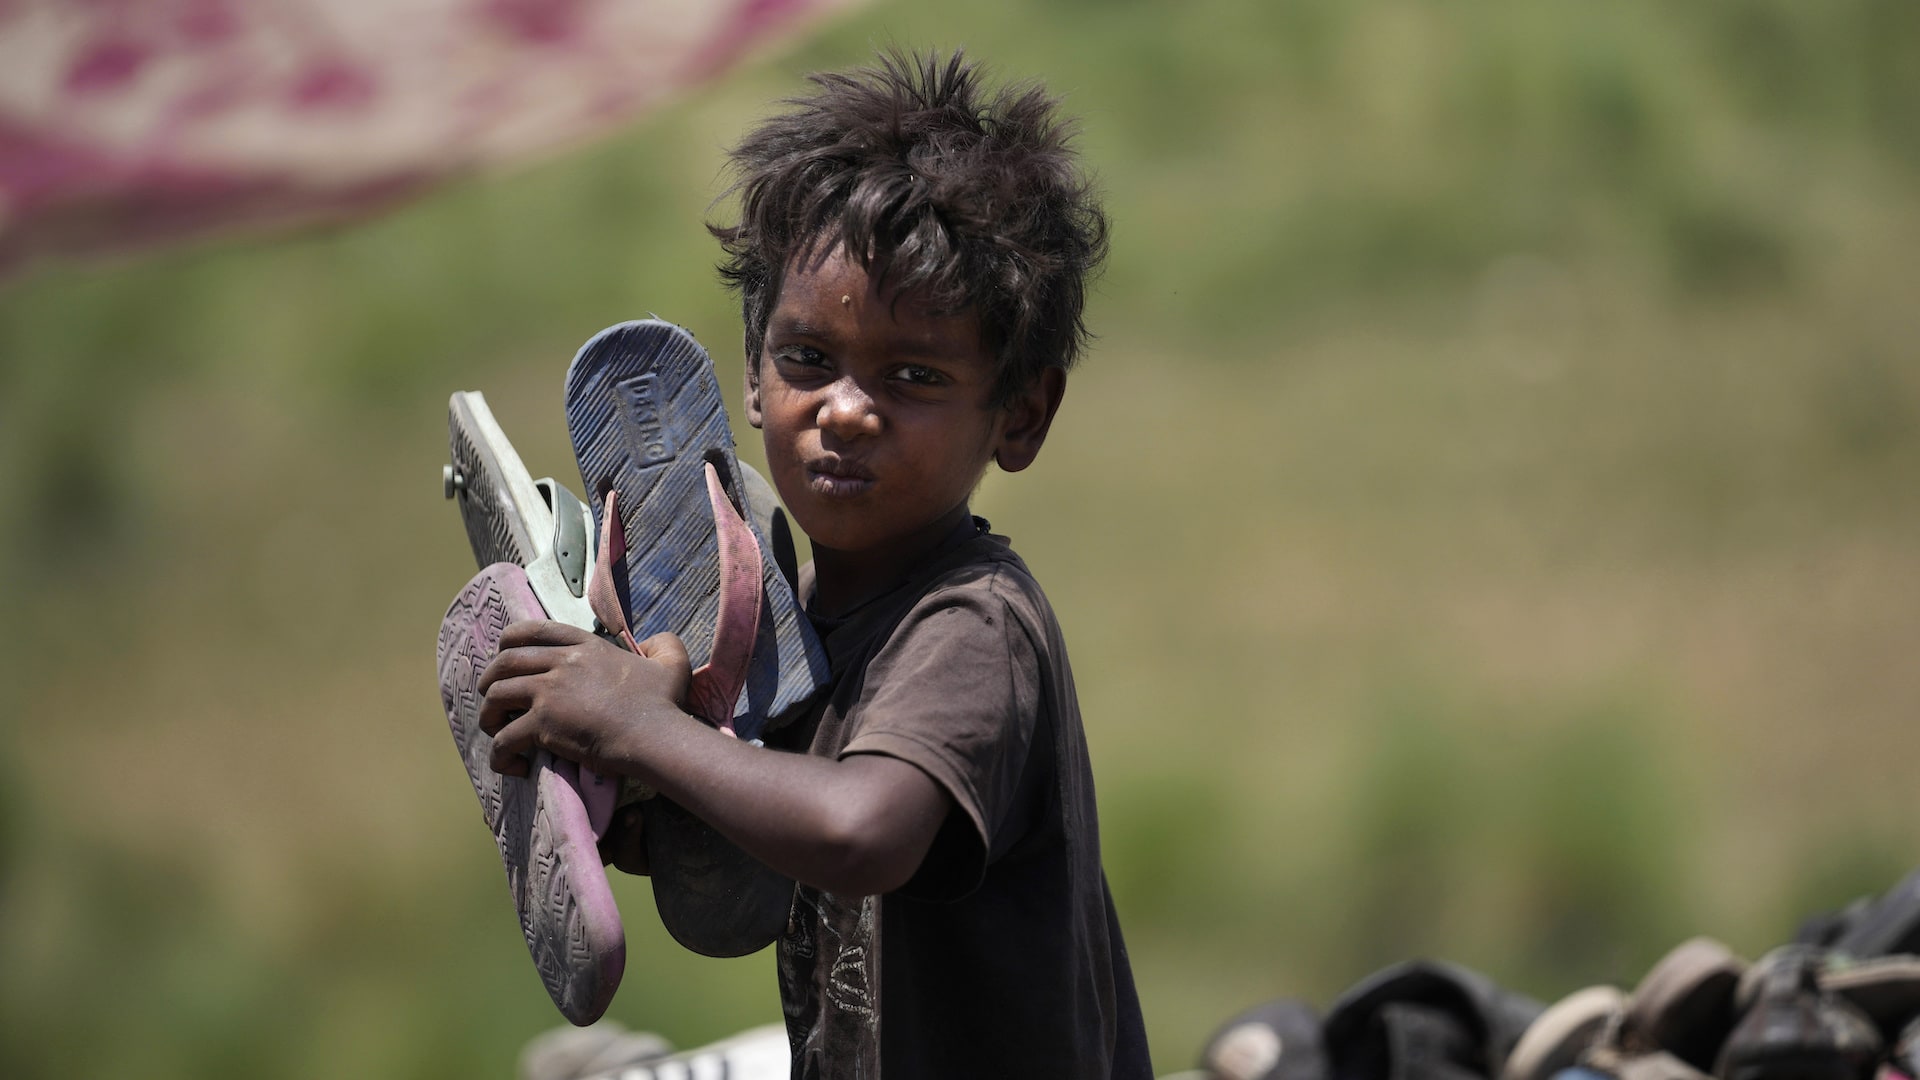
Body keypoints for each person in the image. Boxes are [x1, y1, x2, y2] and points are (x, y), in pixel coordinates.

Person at [477, 48, 1151, 1078]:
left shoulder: (971, 625)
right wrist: (650, 803)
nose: (845, 407)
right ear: (750, 377)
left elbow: (859, 834)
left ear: (1020, 413)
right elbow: (783, 842)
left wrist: (640, 727)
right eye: (806, 360)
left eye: (914, 375)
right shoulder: (804, 634)